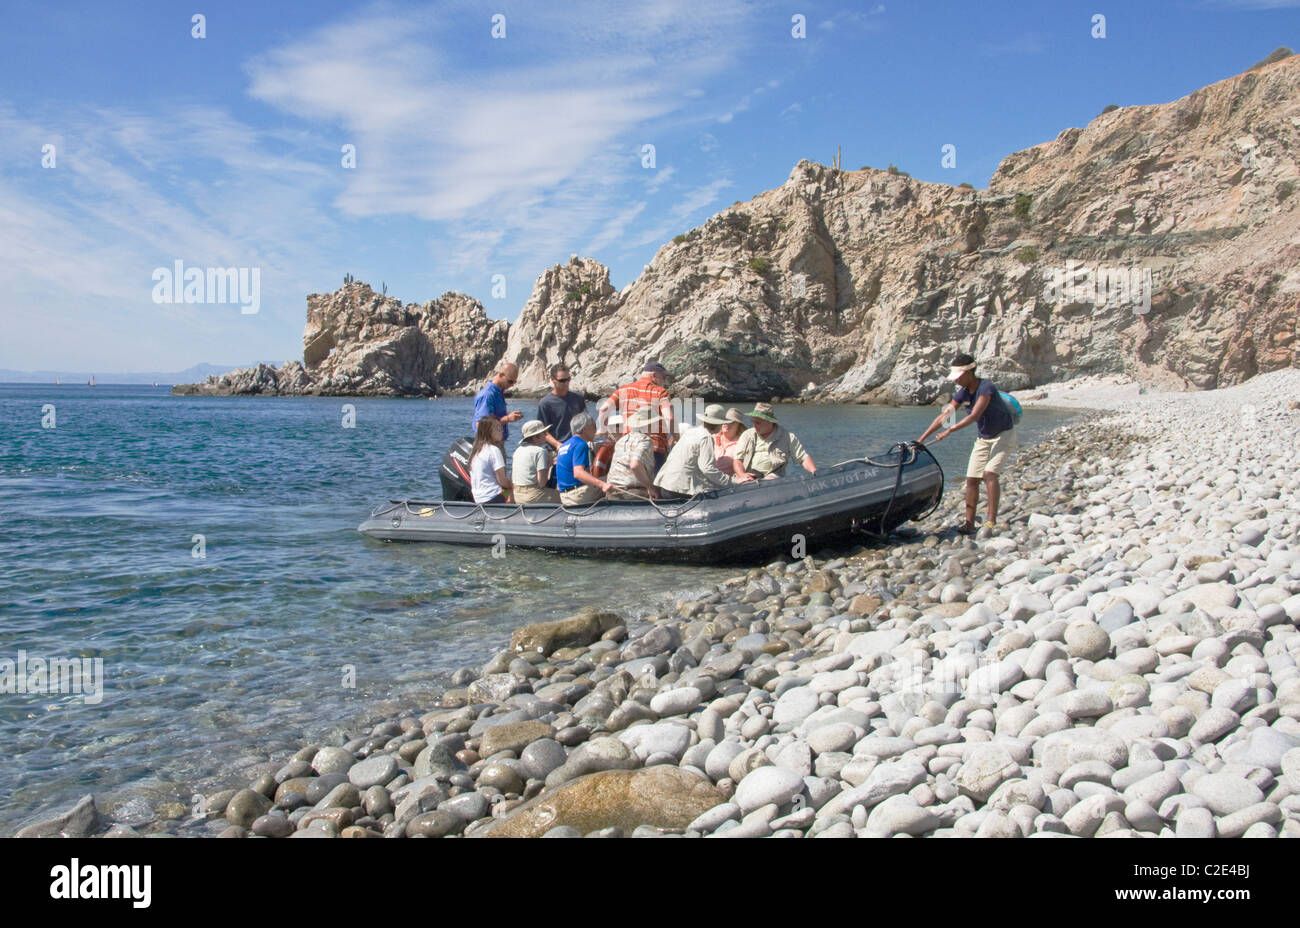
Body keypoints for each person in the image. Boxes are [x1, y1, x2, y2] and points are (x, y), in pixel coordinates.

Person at [916, 352, 1017, 535]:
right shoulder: (962, 393)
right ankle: (969, 524)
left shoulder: (987, 387)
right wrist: (921, 439)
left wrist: (950, 431)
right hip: (984, 438)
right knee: (971, 480)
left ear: (970, 372)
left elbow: (974, 416)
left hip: (1004, 435)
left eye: (959, 377)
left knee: (989, 475)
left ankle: (990, 522)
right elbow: (944, 416)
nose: (956, 381)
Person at [598, 360, 676, 471]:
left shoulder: (623, 390)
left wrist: (602, 429)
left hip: (628, 446)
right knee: (654, 485)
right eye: (663, 377)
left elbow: (603, 408)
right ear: (654, 375)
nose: (665, 381)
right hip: (654, 447)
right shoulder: (660, 392)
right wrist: (677, 438)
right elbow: (670, 418)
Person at [653, 404, 735, 499]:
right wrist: (731, 481)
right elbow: (707, 468)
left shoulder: (690, 432)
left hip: (665, 485)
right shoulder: (706, 437)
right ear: (718, 424)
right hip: (677, 490)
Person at [731, 403, 816, 480]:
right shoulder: (747, 435)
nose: (754, 425)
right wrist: (742, 474)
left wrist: (815, 473)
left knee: (769, 480)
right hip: (749, 475)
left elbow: (803, 458)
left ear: (769, 422)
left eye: (758, 422)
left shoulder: (788, 437)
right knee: (740, 481)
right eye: (753, 421)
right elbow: (737, 460)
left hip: (773, 476)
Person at [555, 412, 612, 505]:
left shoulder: (565, 445)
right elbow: (578, 473)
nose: (595, 430)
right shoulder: (581, 444)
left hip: (564, 496)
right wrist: (603, 485)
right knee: (612, 478)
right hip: (578, 496)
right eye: (594, 426)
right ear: (585, 429)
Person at [606, 407, 661, 499]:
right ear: (649, 424)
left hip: (612, 493)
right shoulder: (644, 440)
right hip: (632, 493)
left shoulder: (621, 440)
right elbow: (635, 465)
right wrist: (650, 487)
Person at [536, 364, 588, 450]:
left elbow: (585, 423)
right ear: (553, 380)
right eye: (562, 380)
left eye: (568, 379)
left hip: (577, 448)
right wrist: (557, 445)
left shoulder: (578, 398)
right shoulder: (545, 403)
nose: (566, 383)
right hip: (556, 450)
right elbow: (543, 431)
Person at [472, 361, 523, 440]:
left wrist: (509, 416)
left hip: (497, 443)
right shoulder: (488, 395)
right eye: (510, 381)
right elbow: (481, 425)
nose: (512, 385)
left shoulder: (498, 393)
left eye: (514, 382)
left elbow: (493, 417)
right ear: (501, 375)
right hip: (488, 443)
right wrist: (507, 418)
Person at [511, 419, 559, 504]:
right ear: (535, 437)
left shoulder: (518, 450)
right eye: (544, 433)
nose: (546, 436)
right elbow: (542, 483)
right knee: (564, 497)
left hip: (517, 494)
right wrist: (549, 465)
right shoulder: (540, 451)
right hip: (532, 496)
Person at [468, 416, 511, 504]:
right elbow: (502, 481)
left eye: (501, 427)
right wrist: (514, 486)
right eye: (498, 428)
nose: (502, 431)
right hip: (493, 497)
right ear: (488, 431)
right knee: (519, 493)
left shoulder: (476, 451)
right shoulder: (493, 450)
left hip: (479, 499)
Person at [713, 407, 746, 474]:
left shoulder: (741, 444)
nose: (727, 423)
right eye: (725, 420)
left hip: (727, 481)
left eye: (732, 422)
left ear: (739, 426)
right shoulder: (712, 438)